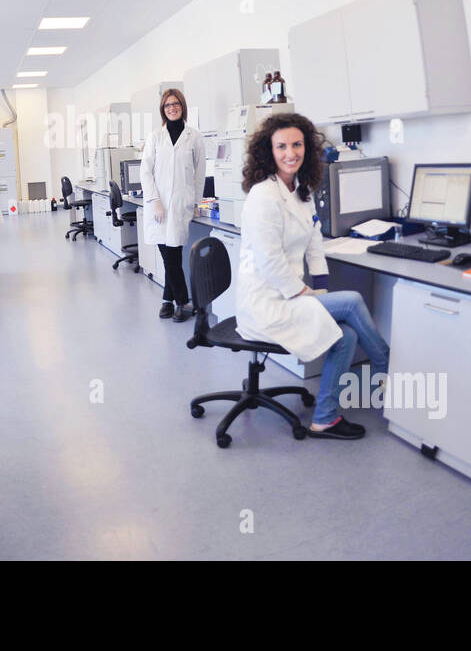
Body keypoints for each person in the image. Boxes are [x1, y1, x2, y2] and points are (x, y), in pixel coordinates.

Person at [234, 112, 389, 439]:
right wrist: (304, 293)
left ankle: (325, 418)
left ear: (306, 147)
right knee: (352, 301)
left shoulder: (300, 189)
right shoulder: (264, 196)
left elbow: (315, 239)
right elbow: (268, 260)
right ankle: (385, 367)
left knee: (345, 335)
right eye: (282, 146)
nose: (291, 153)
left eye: (297, 144)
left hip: (290, 295)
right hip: (266, 303)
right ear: (268, 151)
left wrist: (320, 286)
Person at [139, 88, 205, 322]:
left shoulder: (194, 137)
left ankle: (168, 300)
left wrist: (196, 202)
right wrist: (155, 201)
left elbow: (199, 174)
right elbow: (145, 172)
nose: (172, 108)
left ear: (182, 106)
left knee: (173, 255)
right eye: (168, 105)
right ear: (163, 110)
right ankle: (182, 302)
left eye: (176, 103)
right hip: (159, 207)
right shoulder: (155, 137)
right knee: (170, 256)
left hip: (180, 206)